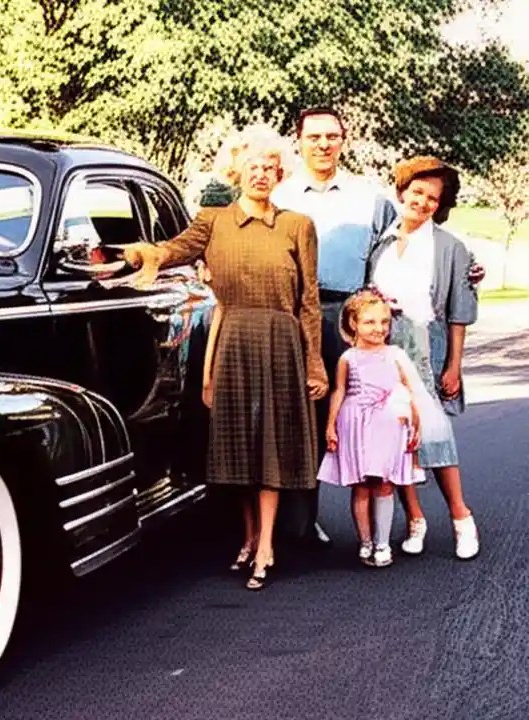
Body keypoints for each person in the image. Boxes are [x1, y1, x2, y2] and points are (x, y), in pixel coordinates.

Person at [270, 107, 484, 551]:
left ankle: (440, 519)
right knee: (327, 420)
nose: (323, 144)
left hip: (381, 328)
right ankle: (307, 523)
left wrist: (469, 270)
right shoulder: (282, 194)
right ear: (300, 140)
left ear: (343, 140)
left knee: (406, 423)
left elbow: (430, 262)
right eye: (314, 136)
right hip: (309, 317)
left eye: (332, 136)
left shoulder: (369, 198)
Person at [124, 130, 327, 590]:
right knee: (239, 445)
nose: (260, 174)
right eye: (252, 166)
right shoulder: (213, 220)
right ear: (237, 173)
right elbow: (174, 250)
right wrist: (144, 253)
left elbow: (309, 301)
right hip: (231, 336)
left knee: (271, 443)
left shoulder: (298, 225)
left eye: (269, 168)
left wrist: (314, 363)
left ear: (279, 175)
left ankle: (268, 545)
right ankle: (250, 535)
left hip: (281, 339)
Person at [367, 156, 480, 560]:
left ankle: (461, 518)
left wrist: (454, 365)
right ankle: (414, 518)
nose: (423, 202)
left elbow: (460, 310)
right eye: (417, 192)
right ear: (402, 191)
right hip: (381, 346)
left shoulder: (451, 248)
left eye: (433, 198)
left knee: (433, 433)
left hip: (424, 344)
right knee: (395, 436)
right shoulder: (380, 239)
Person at [316, 288, 442, 567]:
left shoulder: (395, 354)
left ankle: (383, 543)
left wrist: (417, 423)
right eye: (370, 322)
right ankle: (365, 540)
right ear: (354, 324)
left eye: (384, 322)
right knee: (361, 485)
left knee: (384, 483)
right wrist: (331, 426)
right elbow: (339, 391)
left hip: (388, 425)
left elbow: (412, 390)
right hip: (356, 422)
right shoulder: (347, 358)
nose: (379, 328)